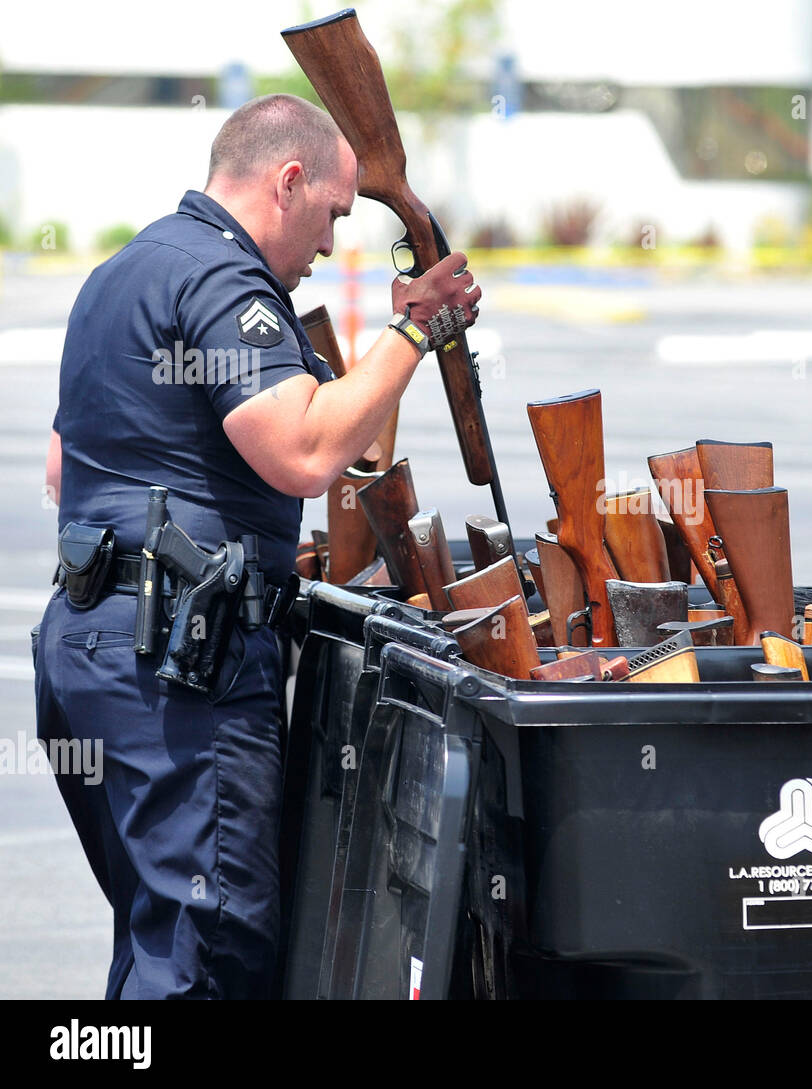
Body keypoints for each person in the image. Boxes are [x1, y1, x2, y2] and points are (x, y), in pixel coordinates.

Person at [33, 93, 480, 999]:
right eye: (332, 214)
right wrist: (413, 330)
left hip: (94, 652)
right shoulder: (222, 282)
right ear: (287, 181)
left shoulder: (129, 269)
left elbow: (61, 465)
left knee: (160, 939)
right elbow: (306, 450)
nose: (328, 244)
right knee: (209, 952)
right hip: (179, 669)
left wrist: (396, 342)